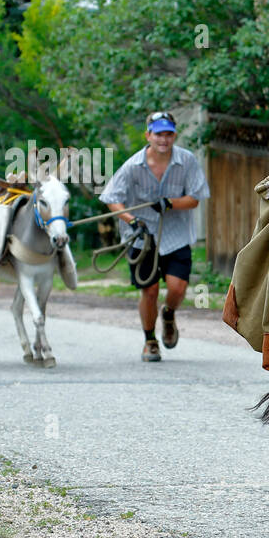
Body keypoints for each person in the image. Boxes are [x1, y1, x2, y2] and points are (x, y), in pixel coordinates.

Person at [99, 110, 210, 362]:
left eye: (168, 134)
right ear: (148, 135)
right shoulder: (132, 166)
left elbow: (194, 199)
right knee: (149, 291)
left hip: (176, 235)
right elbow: (111, 199)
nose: (164, 139)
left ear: (174, 135)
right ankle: (150, 341)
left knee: (177, 287)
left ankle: (169, 314)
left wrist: (170, 203)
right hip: (142, 237)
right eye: (158, 134)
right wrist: (132, 220)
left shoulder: (188, 161)